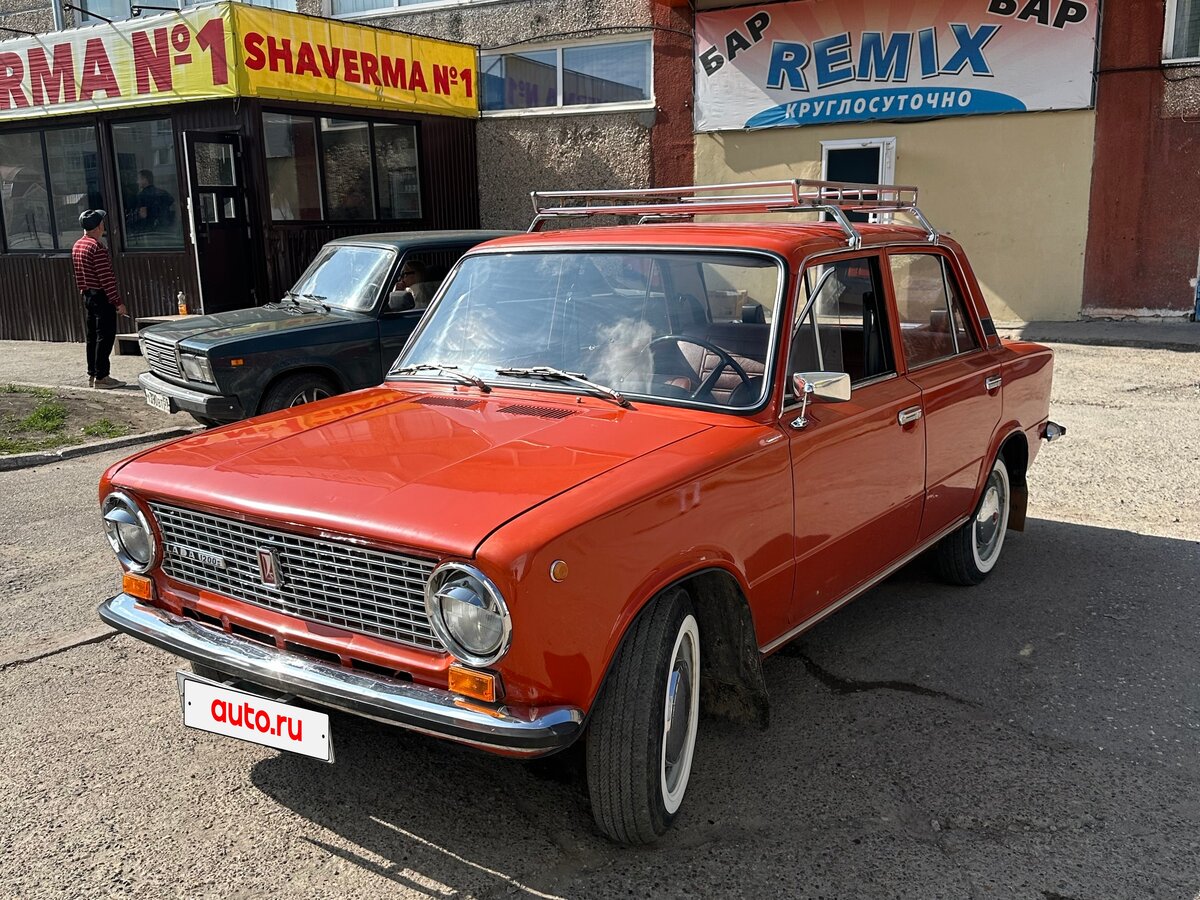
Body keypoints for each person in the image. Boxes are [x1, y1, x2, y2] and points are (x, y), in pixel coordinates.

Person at [72, 209, 126, 388]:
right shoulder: (97, 248)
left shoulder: (78, 245)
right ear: (98, 226)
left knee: (92, 336)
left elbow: (79, 274)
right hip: (101, 296)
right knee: (105, 336)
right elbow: (106, 278)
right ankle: (102, 376)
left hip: (88, 294)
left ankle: (92, 373)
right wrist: (117, 302)